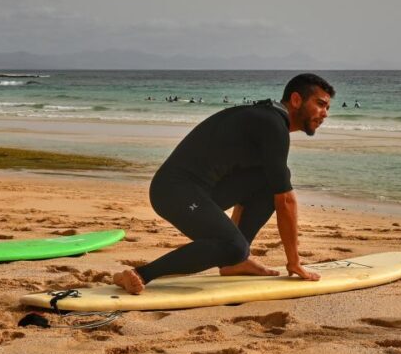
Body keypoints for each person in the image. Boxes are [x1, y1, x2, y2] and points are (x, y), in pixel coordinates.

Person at [113, 73, 335, 294]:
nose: (325, 113)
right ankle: (141, 274)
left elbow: (273, 189)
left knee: (271, 180)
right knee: (233, 245)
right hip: (173, 191)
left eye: (327, 108)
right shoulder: (274, 125)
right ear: (296, 100)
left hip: (202, 191)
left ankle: (235, 262)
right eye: (320, 104)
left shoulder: (268, 119)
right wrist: (294, 262)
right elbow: (286, 201)